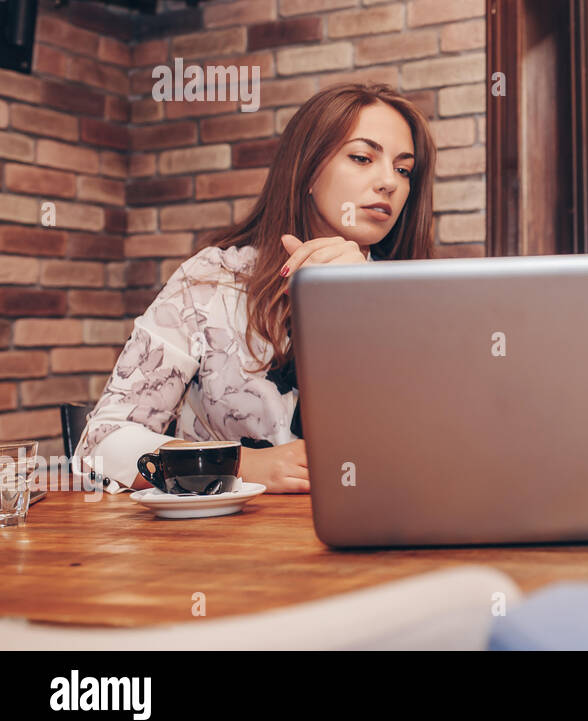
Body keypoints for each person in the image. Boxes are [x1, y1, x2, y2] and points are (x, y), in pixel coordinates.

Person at [72, 83, 436, 494]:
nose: (389, 181)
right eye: (362, 158)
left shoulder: (408, 297)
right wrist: (244, 464)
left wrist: (369, 300)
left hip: (374, 535)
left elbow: (436, 447)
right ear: (308, 170)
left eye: (404, 169)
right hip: (227, 545)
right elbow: (99, 448)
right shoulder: (211, 281)